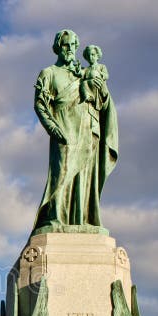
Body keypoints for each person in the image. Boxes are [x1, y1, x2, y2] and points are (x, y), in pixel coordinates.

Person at [33, 29, 118, 232]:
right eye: (65, 45)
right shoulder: (49, 73)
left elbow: (101, 103)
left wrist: (103, 93)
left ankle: (82, 219)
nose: (70, 49)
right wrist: (53, 128)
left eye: (73, 45)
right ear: (57, 47)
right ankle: (55, 219)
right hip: (63, 131)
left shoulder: (83, 73)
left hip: (88, 131)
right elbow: (40, 104)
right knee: (61, 175)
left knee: (85, 177)